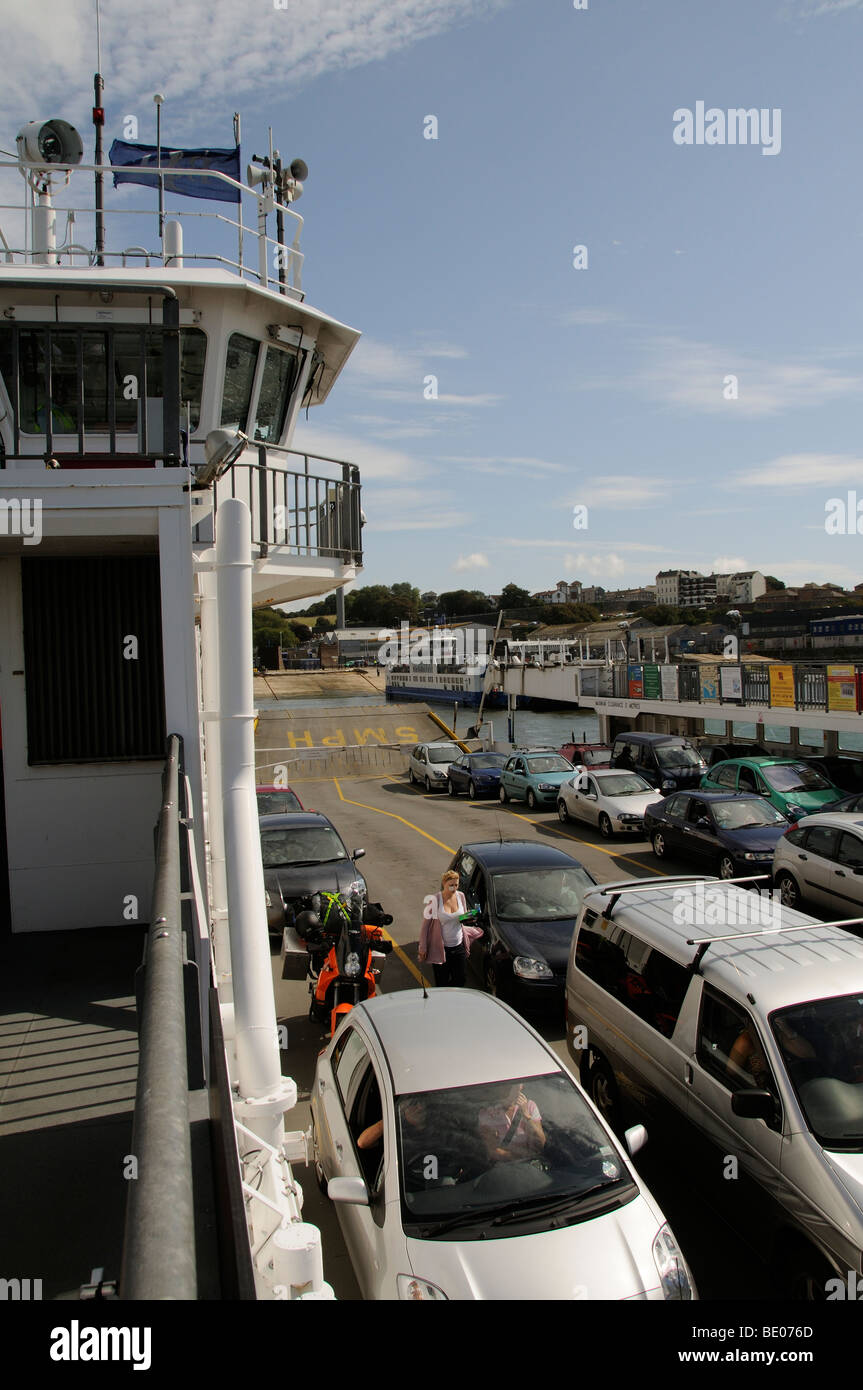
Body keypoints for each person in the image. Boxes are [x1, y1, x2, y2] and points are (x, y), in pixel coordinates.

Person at [418, 871, 474, 987]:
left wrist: (469, 916)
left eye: (456, 885)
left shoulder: (461, 896)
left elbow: (461, 918)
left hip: (458, 947)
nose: (454, 888)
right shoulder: (435, 900)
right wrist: (422, 948)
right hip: (441, 949)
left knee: (460, 980)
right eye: (451, 885)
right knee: (442, 983)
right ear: (444, 883)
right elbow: (425, 926)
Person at [478, 1081, 546, 1162]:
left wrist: (527, 1116)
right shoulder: (487, 1113)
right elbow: (493, 1152)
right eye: (506, 1084)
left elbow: (539, 1144)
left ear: (521, 1086)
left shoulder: (530, 1106)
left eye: (515, 1084)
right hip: (505, 1168)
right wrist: (523, 1157)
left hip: (529, 1166)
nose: (509, 1088)